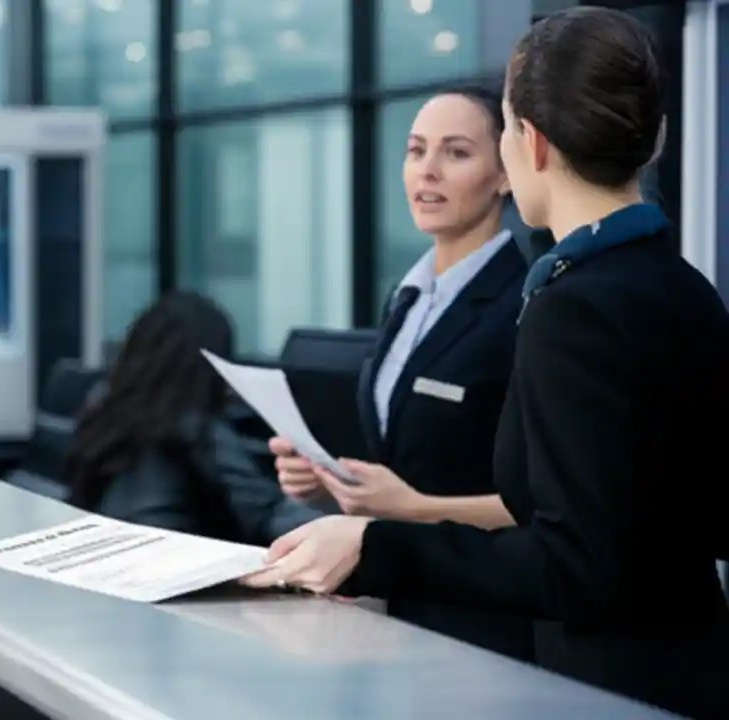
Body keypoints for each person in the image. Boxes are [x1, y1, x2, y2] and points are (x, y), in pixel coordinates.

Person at [248, 8, 729, 718]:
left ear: (527, 144)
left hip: (606, 685)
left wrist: (379, 543)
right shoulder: (683, 287)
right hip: (686, 669)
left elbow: (577, 566)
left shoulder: (574, 309)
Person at [271, 87, 533, 660]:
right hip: (402, 602)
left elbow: (540, 500)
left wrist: (407, 504)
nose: (428, 171)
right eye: (416, 151)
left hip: (486, 620)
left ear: (505, 174)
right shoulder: (408, 299)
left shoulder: (526, 303)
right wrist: (330, 484)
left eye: (456, 153)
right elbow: (403, 460)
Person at [66, 292, 320, 545]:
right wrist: (346, 529)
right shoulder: (196, 431)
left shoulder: (103, 414)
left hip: (112, 564)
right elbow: (266, 513)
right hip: (177, 568)